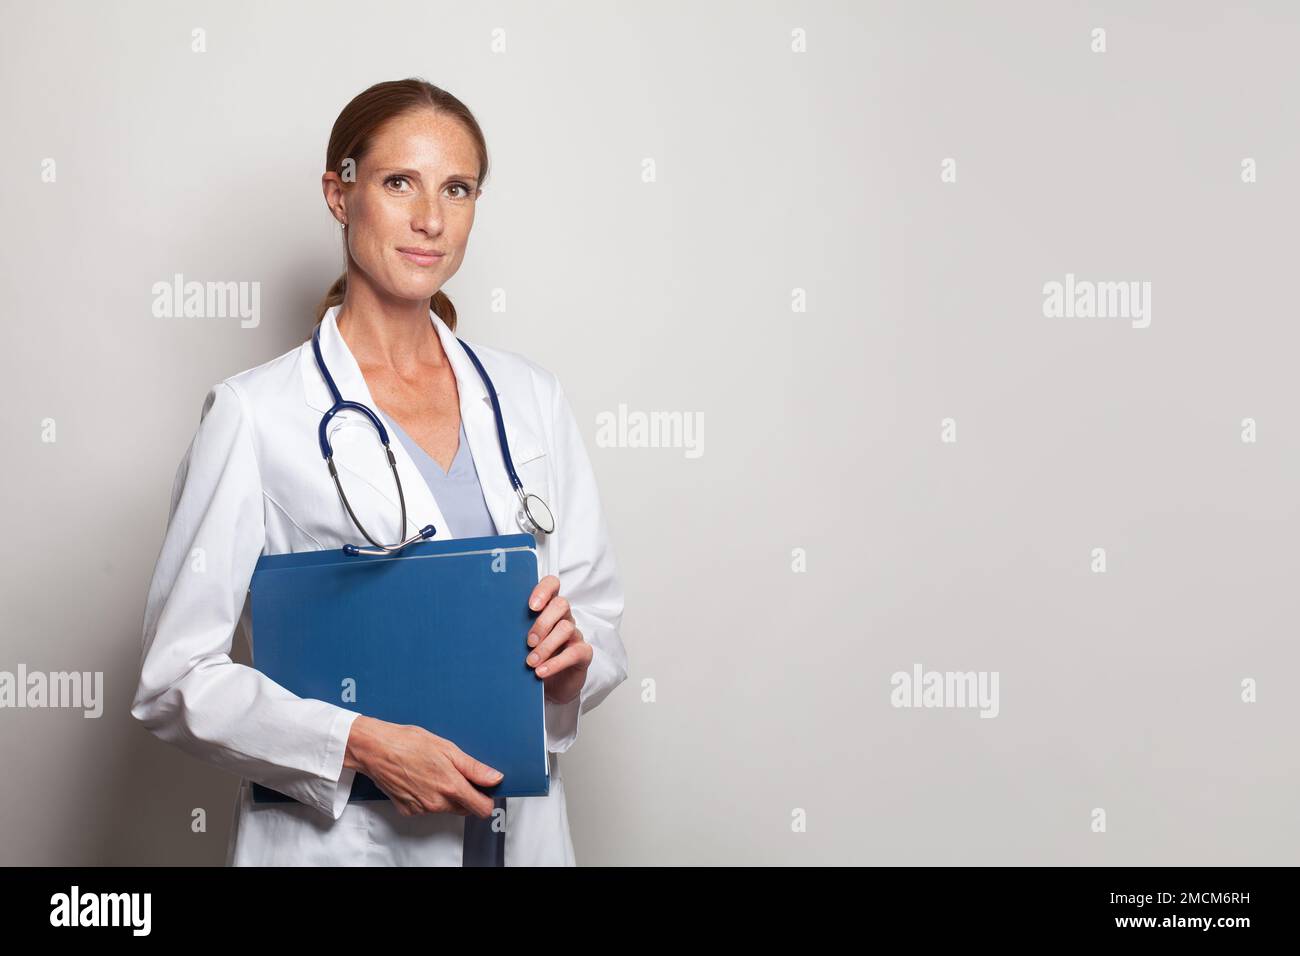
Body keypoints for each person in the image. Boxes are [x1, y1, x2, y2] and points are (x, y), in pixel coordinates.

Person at [130, 78, 628, 866]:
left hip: (514, 837)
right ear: (340, 192)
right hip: (346, 842)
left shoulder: (531, 398)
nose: (431, 218)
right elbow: (175, 678)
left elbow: (598, 622)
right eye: (401, 182)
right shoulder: (256, 415)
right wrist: (358, 742)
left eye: (457, 189)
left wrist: (574, 669)